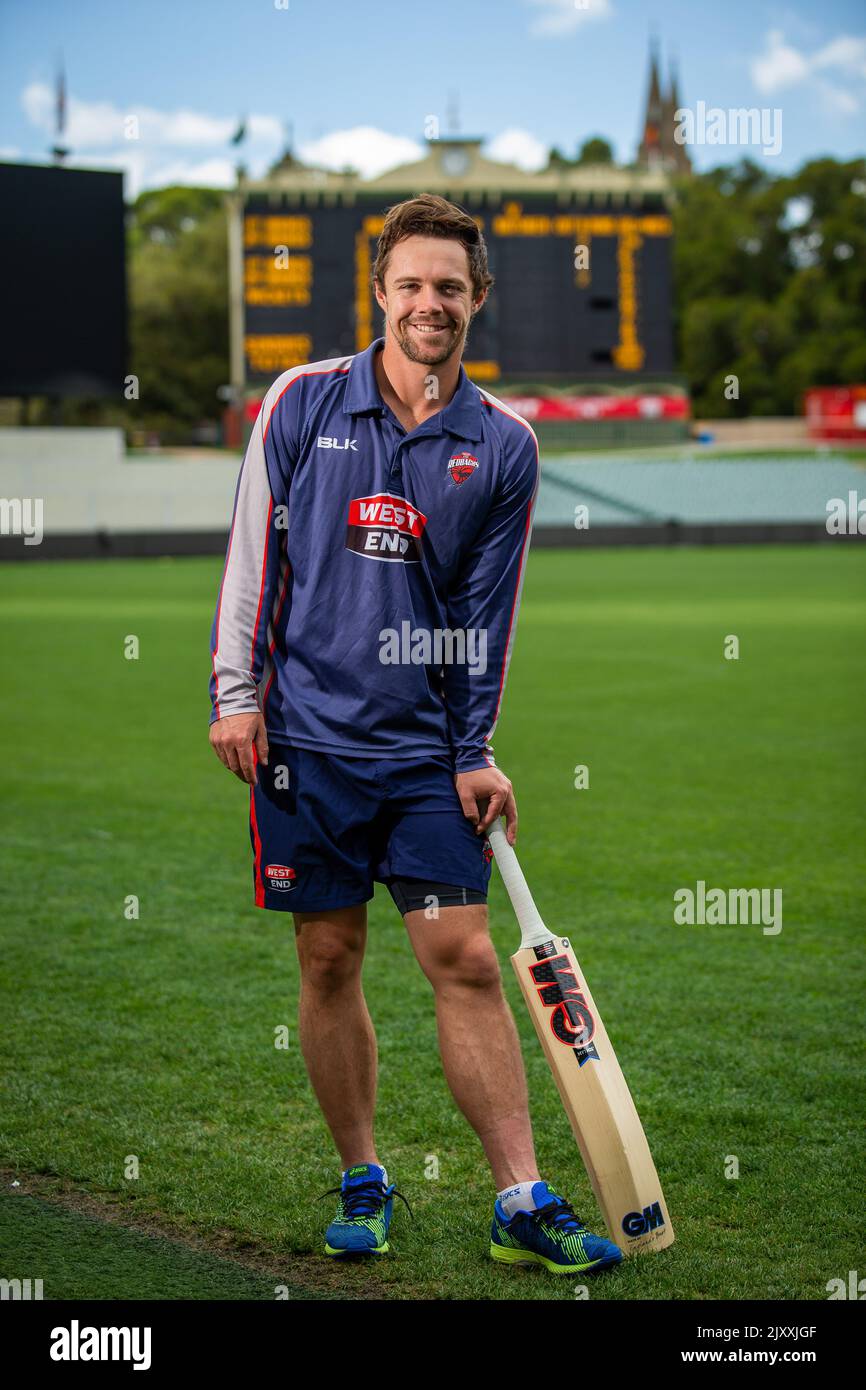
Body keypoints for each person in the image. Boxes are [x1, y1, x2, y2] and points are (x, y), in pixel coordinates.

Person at [208, 193, 621, 1276]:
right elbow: (253, 553)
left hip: (419, 757)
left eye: (449, 286)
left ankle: (518, 1198)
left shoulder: (502, 444)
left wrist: (472, 748)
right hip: (304, 743)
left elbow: (486, 618)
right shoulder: (300, 401)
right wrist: (232, 693)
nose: (428, 302)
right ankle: (362, 1175)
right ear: (380, 294)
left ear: (475, 299)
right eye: (410, 284)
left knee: (465, 956)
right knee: (328, 953)